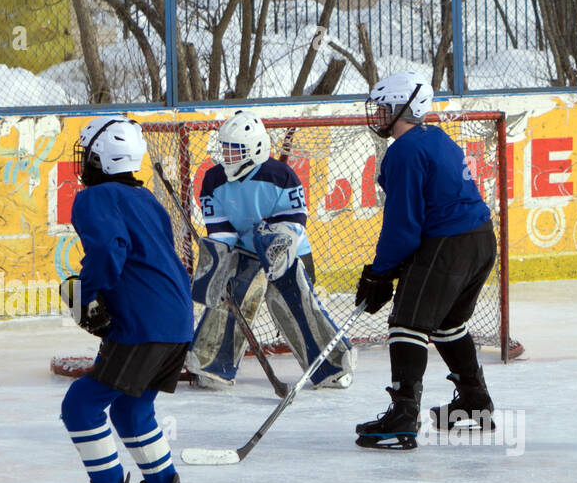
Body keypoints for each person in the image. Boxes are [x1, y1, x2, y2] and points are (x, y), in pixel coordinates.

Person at [59, 116, 201, 483]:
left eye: (87, 151)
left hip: (144, 323)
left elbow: (109, 248)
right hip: (176, 319)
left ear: (102, 156)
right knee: (131, 411)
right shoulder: (146, 199)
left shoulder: (94, 198)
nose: (82, 160)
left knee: (81, 408)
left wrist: (90, 294)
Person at [353, 71, 498, 450]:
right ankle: (475, 403)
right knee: (449, 323)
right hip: (481, 240)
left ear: (405, 106)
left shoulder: (404, 150)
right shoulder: (435, 137)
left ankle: (402, 418)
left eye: (385, 107)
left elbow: (403, 224)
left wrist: (381, 273)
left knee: (407, 322)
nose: (380, 114)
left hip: (450, 244)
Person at [188, 111, 354, 389]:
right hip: (246, 251)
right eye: (224, 148)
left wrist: (277, 242)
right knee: (230, 301)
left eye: (235, 150)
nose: (227, 156)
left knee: (296, 306)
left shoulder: (280, 175)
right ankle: (213, 366)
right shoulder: (213, 179)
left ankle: (331, 367)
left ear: (255, 149)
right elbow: (221, 231)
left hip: (288, 250)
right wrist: (217, 260)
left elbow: (294, 220)